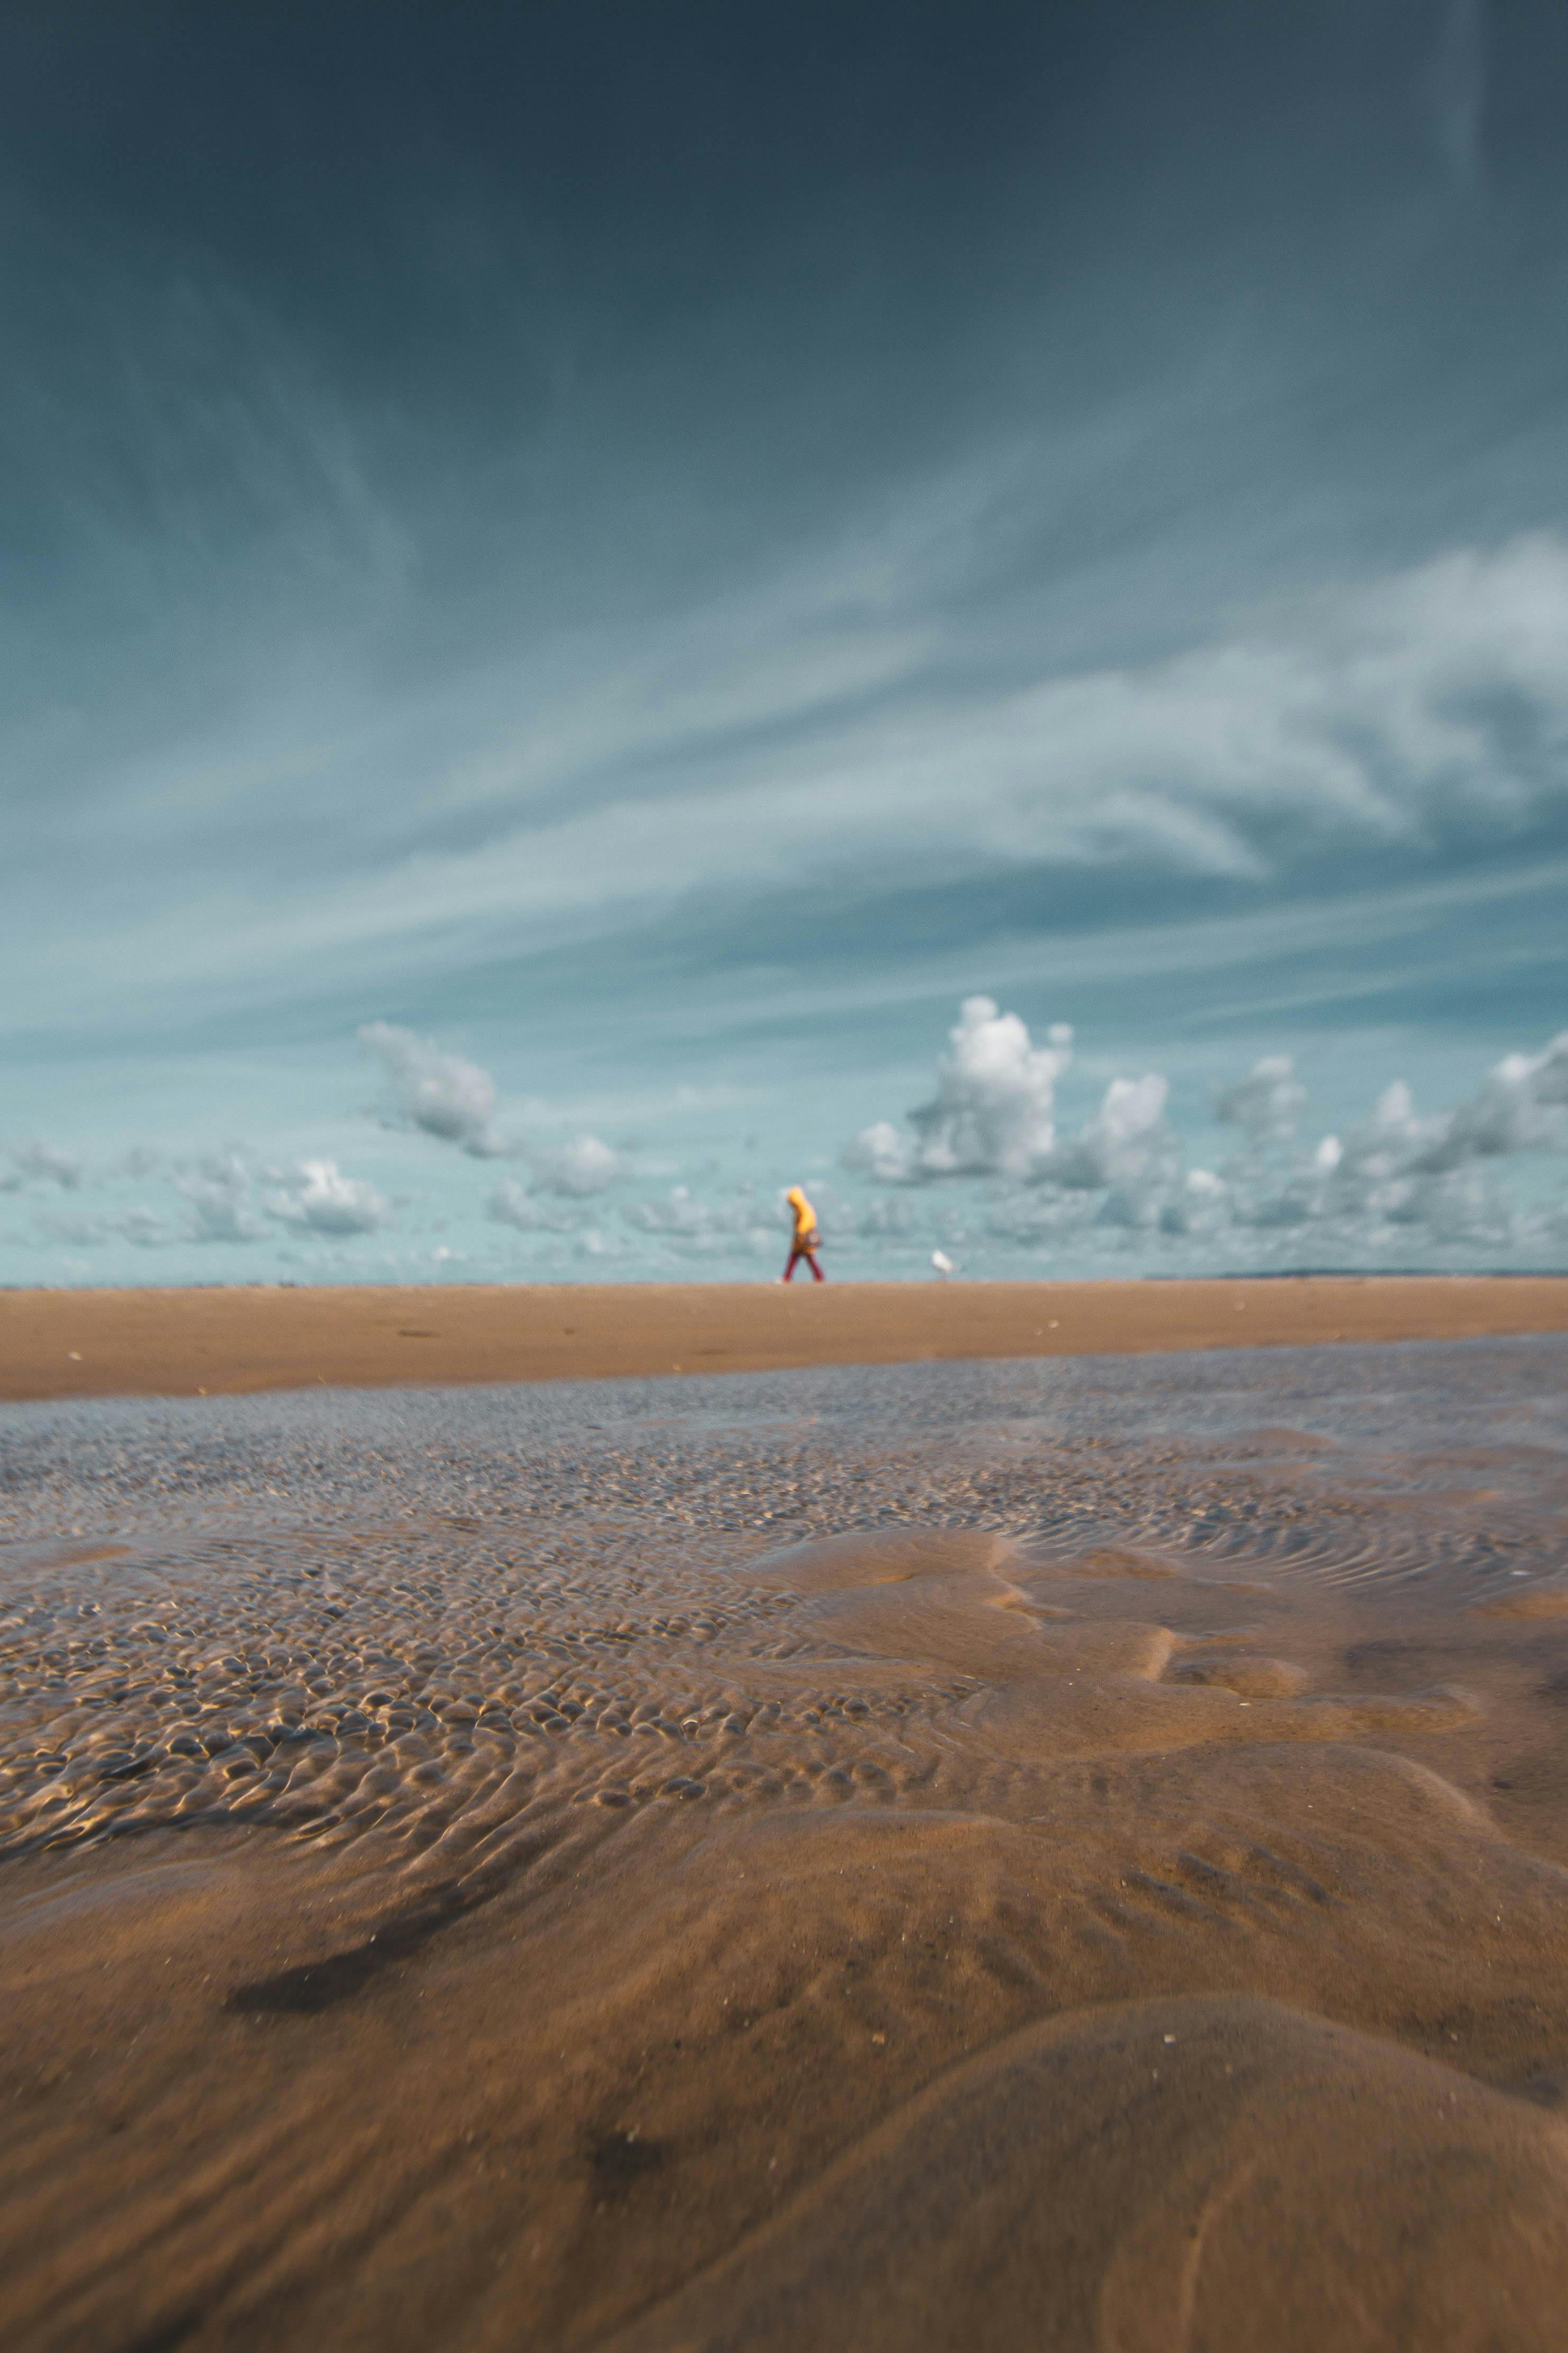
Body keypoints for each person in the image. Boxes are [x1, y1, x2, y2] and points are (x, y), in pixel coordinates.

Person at [782, 1185, 825, 1283]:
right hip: (800, 1239)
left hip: (805, 1238)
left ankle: (819, 1278)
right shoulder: (799, 1209)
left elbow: (807, 1220)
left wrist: (800, 1231)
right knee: (795, 1258)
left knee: (808, 1258)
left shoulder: (804, 1208)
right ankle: (787, 1278)